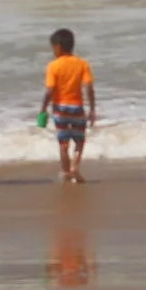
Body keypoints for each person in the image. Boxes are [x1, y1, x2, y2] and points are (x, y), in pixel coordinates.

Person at [40, 29, 97, 184]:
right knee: (79, 141)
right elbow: (89, 87)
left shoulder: (53, 66)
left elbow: (50, 90)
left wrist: (43, 109)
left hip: (60, 109)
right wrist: (92, 109)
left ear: (58, 47)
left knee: (63, 143)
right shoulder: (82, 64)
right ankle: (75, 167)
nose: (53, 51)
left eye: (53, 48)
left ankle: (66, 171)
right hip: (77, 107)